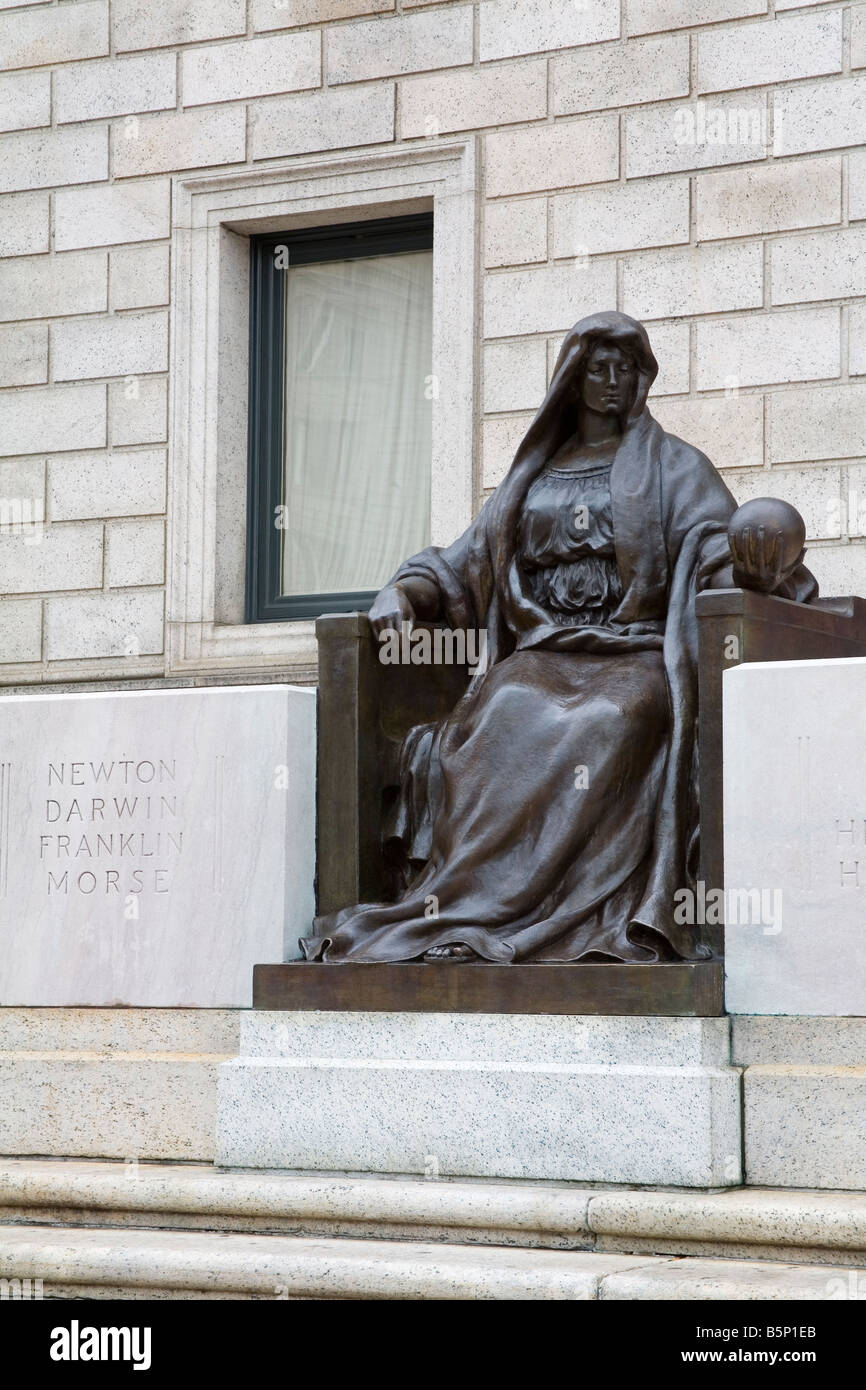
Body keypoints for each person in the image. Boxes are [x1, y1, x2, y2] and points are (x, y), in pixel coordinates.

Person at [301, 311, 816, 965]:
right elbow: (462, 563)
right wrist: (402, 591)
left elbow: (717, 547)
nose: (611, 380)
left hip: (635, 653)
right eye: (598, 367)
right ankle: (468, 904)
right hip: (542, 656)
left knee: (613, 717)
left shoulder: (675, 467)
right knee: (502, 710)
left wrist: (760, 552)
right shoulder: (531, 478)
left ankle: (564, 914)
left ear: (641, 380)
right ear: (572, 378)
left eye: (625, 368)